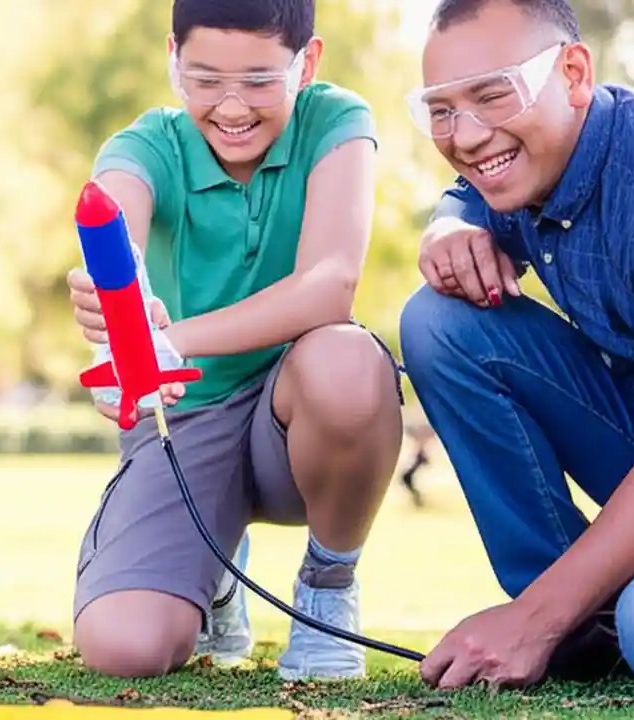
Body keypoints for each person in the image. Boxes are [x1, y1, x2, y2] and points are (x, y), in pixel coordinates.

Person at [64, 0, 404, 680]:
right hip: (184, 420)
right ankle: (217, 573)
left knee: (346, 359)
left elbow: (329, 283)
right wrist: (115, 297)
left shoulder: (338, 123)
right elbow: (114, 206)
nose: (230, 107)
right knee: (124, 649)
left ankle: (327, 588)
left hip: (297, 415)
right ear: (173, 59)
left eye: (258, 81)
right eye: (204, 79)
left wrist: (174, 339)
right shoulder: (147, 144)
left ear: (306, 63)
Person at [400, 0, 634, 692]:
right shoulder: (527, 170)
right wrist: (447, 224)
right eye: (440, 110)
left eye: (494, 94)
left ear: (574, 73)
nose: (465, 136)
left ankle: (558, 618)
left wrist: (529, 619)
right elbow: (466, 189)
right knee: (439, 322)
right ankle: (583, 627)